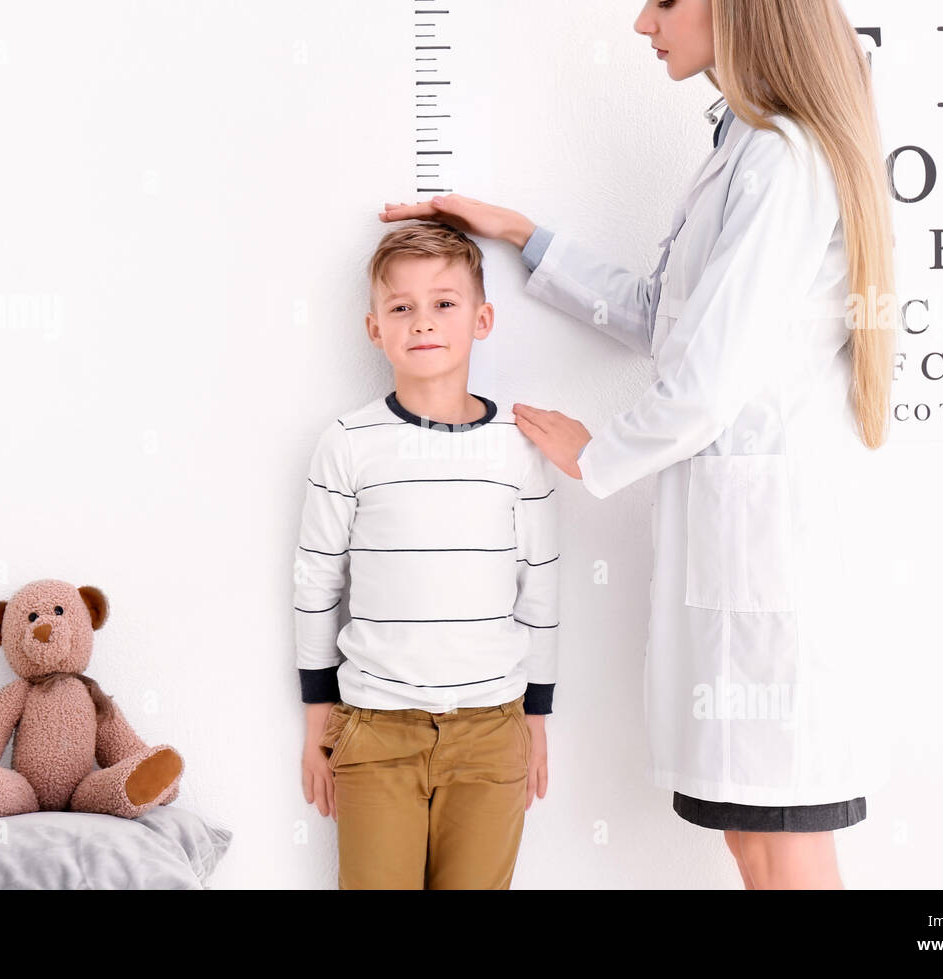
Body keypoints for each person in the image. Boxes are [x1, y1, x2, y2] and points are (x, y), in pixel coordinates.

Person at [378, 0, 898, 889]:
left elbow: (708, 378)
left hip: (773, 564)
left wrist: (600, 451)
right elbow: (670, 320)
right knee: (752, 834)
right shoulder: (747, 148)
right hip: (744, 558)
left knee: (782, 837)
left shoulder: (782, 162)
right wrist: (519, 233)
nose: (641, 22)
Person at [293, 222, 561, 889]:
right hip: (375, 733)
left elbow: (542, 586)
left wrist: (537, 717)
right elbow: (316, 581)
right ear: (374, 327)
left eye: (443, 302)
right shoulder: (348, 443)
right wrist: (317, 719)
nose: (422, 321)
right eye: (400, 306)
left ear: (482, 317)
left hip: (491, 732)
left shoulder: (518, 447)